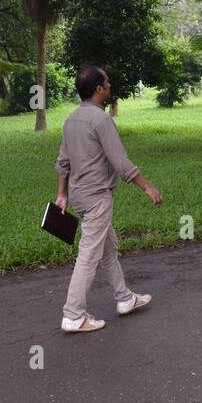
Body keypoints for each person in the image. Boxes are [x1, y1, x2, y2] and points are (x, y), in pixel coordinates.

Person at [54, 66, 163, 332]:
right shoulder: (101, 121)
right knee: (88, 255)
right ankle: (73, 315)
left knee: (107, 248)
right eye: (107, 82)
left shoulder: (72, 120)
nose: (110, 85)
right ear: (98, 88)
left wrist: (62, 194)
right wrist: (147, 187)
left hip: (80, 196)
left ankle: (124, 298)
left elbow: (62, 162)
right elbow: (120, 162)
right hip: (97, 197)